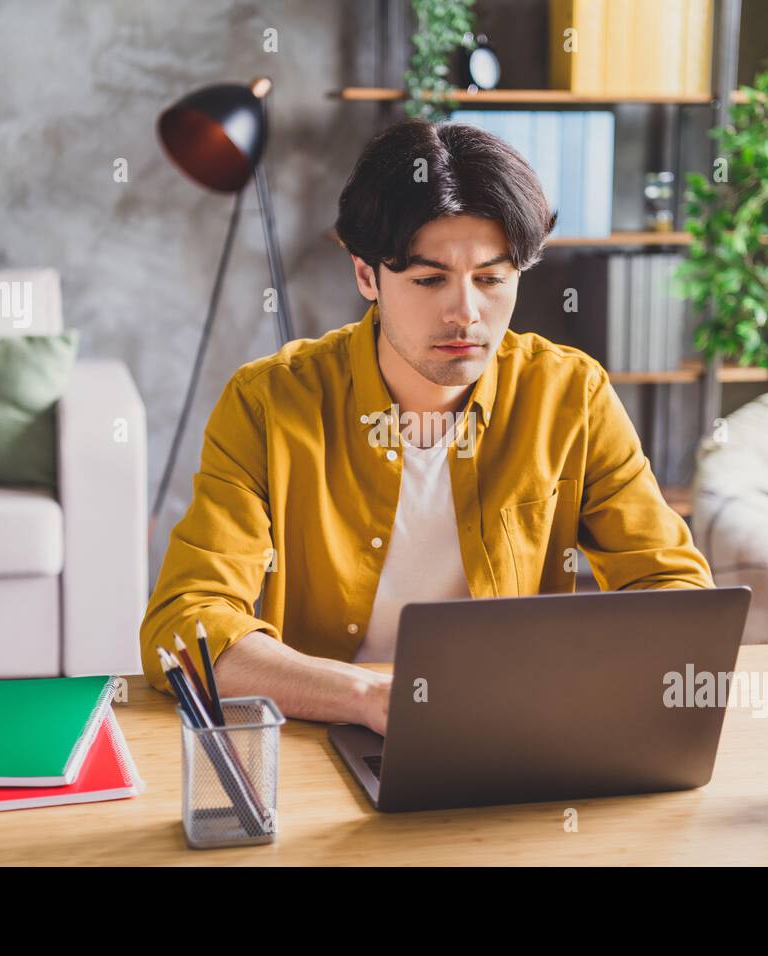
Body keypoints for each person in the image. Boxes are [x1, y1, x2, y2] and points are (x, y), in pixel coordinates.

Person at [140, 119, 714, 735]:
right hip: (323, 734)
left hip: (513, 733)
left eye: (492, 279)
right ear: (367, 276)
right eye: (429, 279)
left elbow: (673, 590)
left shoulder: (571, 396)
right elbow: (186, 624)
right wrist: (364, 695)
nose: (466, 313)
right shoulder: (268, 404)